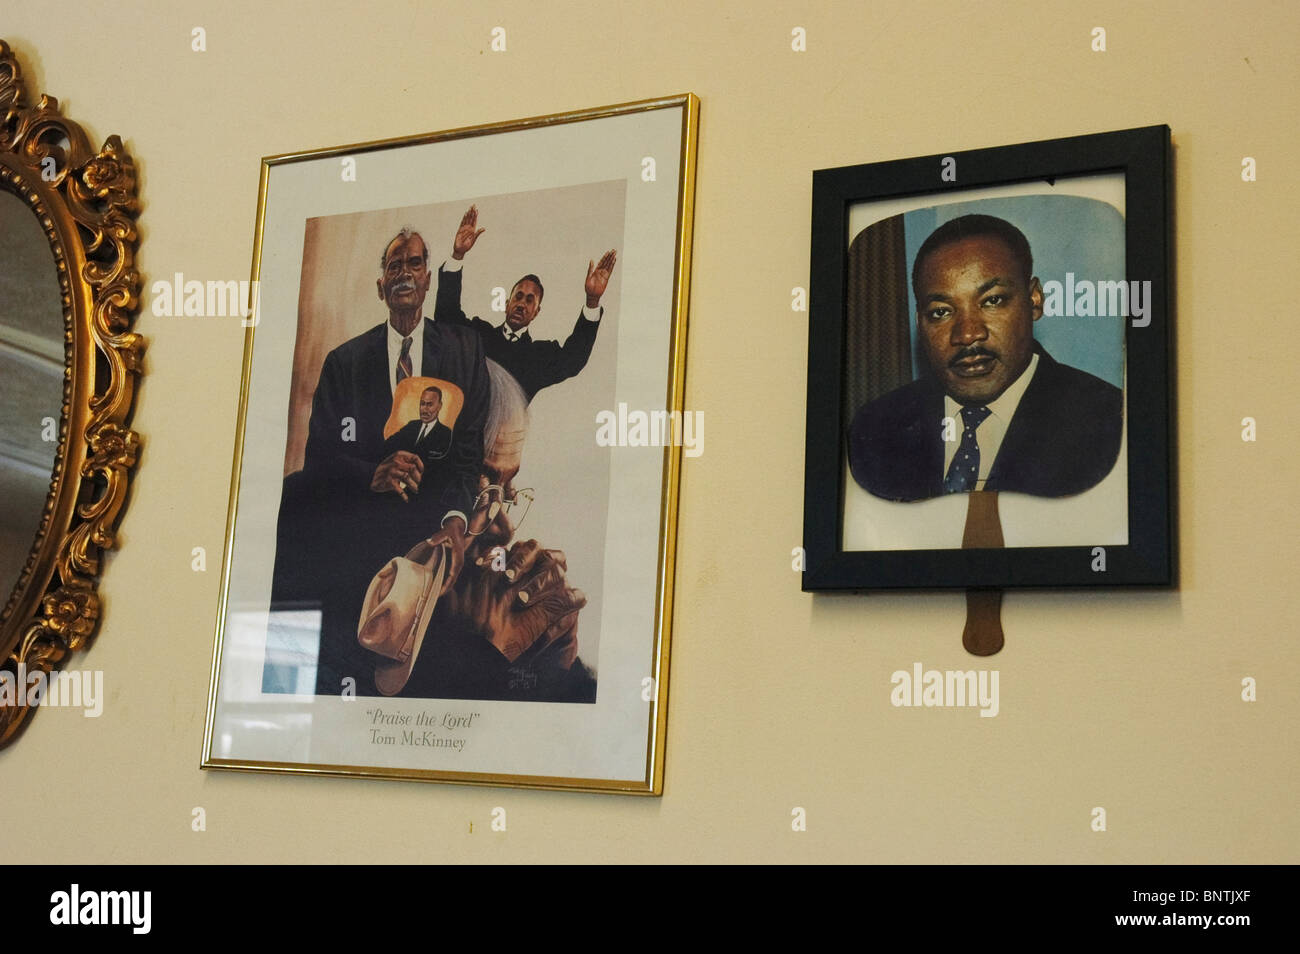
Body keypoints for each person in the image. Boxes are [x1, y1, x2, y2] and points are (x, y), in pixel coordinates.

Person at [269, 227, 491, 697]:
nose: (404, 273)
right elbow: (319, 461)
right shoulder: (343, 362)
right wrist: (371, 474)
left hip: (430, 543)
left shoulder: (466, 352)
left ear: (429, 279)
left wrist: (455, 520)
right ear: (380, 287)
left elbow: (468, 454)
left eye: (413, 264)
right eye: (394, 266)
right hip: (360, 541)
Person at [848, 214, 1122, 502]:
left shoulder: (1111, 425)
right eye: (941, 311)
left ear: (1034, 301)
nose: (967, 335)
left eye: (992, 301)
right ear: (920, 323)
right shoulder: (874, 430)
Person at [432, 205, 617, 403]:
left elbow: (573, 360)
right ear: (506, 304)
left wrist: (592, 300)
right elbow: (446, 319)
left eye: (530, 300)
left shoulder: (539, 357)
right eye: (518, 296)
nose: (521, 303)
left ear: (536, 312)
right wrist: (457, 255)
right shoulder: (479, 336)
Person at [383, 385, 453, 465]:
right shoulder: (411, 425)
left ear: (439, 406)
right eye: (422, 404)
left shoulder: (446, 433)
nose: (425, 409)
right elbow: (388, 446)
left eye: (430, 405)